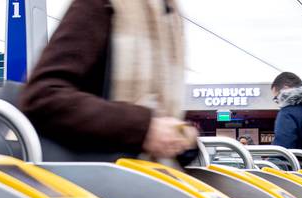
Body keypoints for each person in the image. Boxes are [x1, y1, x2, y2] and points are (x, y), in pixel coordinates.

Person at [19, 0, 195, 161]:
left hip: (142, 175)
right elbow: (41, 95)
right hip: (96, 176)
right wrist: (145, 129)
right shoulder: (101, 4)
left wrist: (181, 140)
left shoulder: (171, 16)